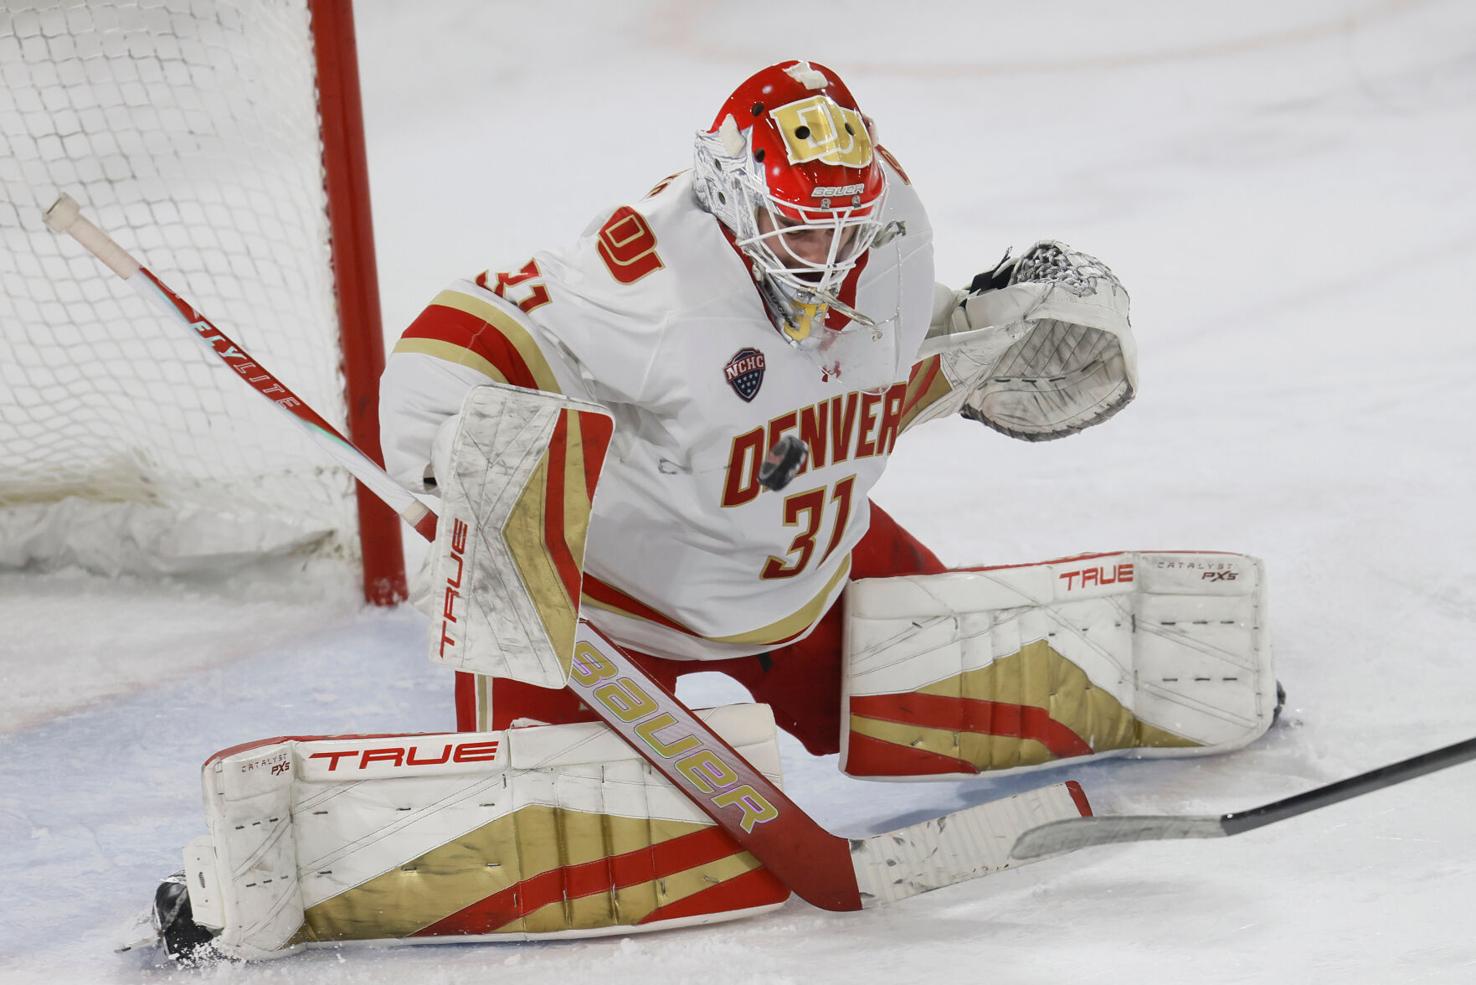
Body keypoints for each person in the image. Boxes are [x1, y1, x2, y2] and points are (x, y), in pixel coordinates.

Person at [379, 57, 1139, 759]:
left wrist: (974, 338)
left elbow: (851, 383)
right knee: (549, 831)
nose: (832, 255)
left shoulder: (894, 230)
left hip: (810, 579)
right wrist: (449, 473)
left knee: (995, 710)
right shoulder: (655, 279)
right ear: (734, 197)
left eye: (848, 227)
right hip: (617, 615)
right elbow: (462, 332)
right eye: (804, 229)